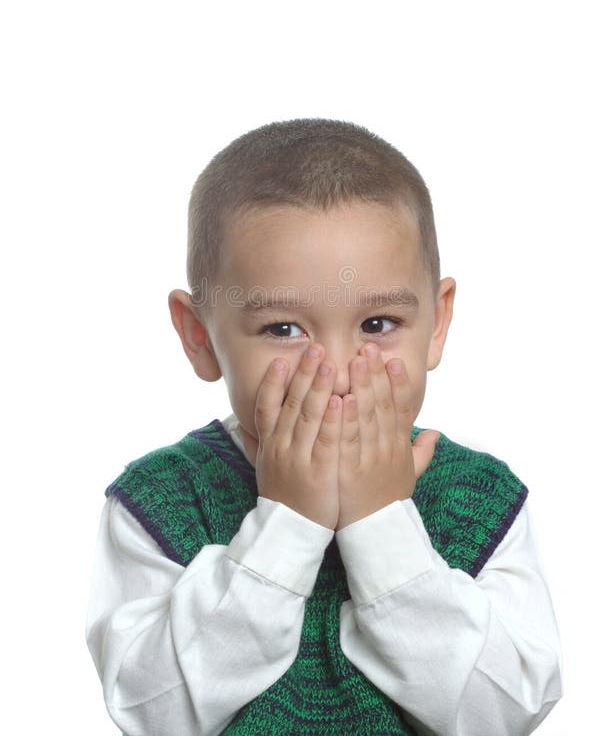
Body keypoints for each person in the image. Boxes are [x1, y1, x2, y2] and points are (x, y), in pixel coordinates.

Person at [86, 118, 563, 735]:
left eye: (378, 323)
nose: (338, 373)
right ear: (199, 336)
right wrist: (286, 526)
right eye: (284, 330)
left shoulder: (480, 499)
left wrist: (383, 528)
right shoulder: (162, 500)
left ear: (437, 324)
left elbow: (503, 715)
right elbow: (154, 713)